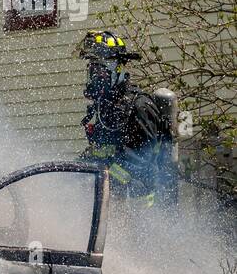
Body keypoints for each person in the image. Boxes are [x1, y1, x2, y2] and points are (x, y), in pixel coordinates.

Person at [75, 30, 176, 208]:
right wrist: (76, 172)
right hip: (110, 201)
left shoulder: (139, 106)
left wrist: (100, 178)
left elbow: (138, 162)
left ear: (116, 69)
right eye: (92, 70)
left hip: (139, 209)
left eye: (99, 71)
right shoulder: (106, 107)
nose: (94, 77)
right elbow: (100, 151)